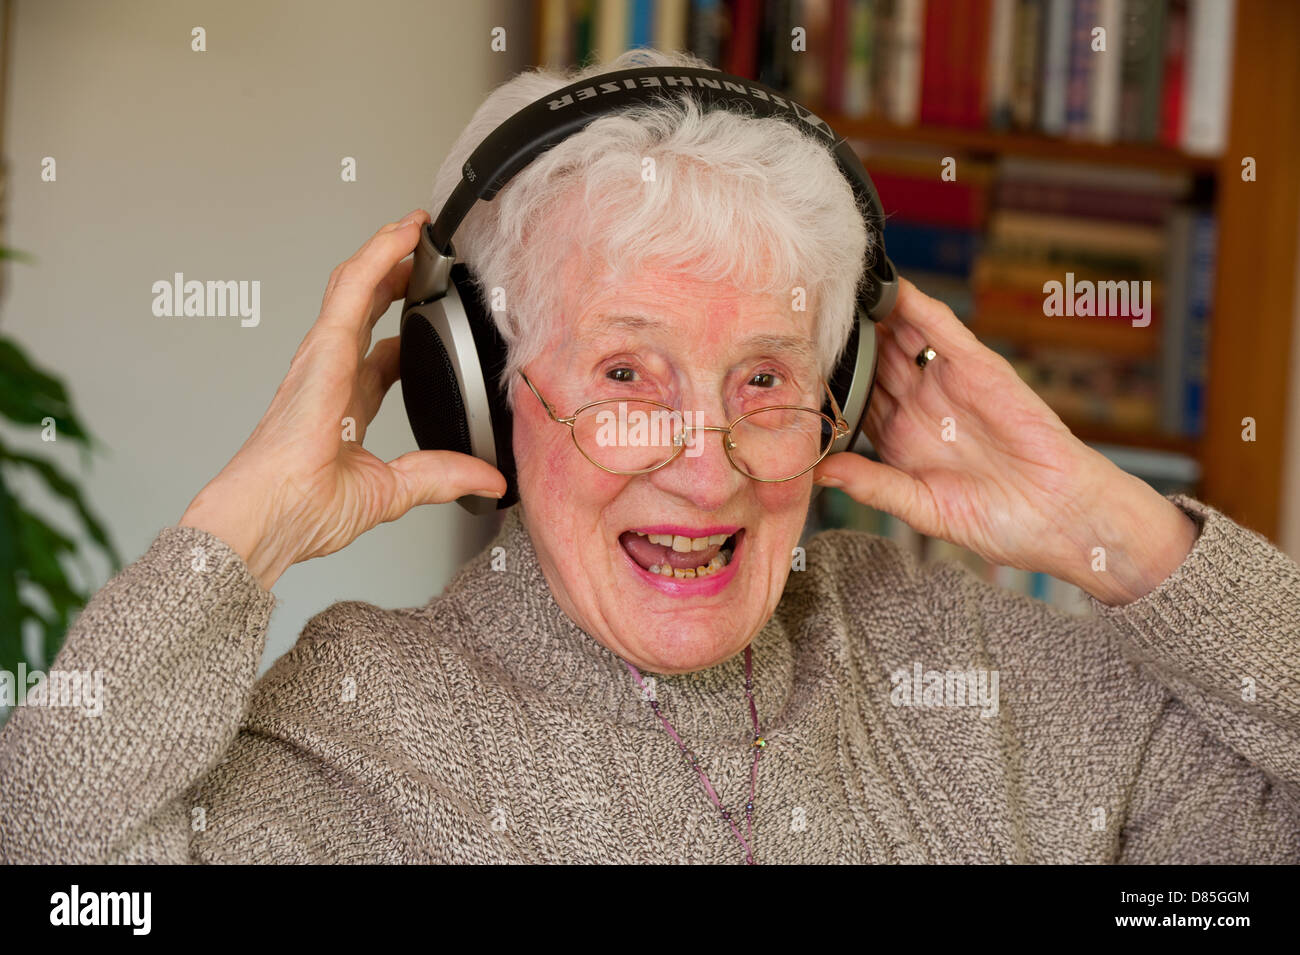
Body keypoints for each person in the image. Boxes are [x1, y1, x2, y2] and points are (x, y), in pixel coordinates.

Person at [2, 49, 1297, 864]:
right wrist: (248, 530)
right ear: (478, 396)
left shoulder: (973, 672)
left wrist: (1125, 539)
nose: (710, 465)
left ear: (843, 397)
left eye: (768, 378)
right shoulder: (378, 727)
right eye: (626, 375)